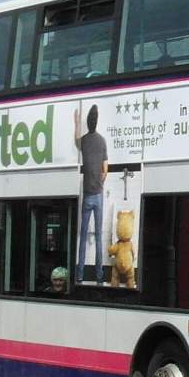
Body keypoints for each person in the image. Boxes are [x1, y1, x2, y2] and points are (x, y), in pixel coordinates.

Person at [74, 104, 109, 284]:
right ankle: (99, 276)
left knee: (83, 235)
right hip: (98, 195)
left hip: (87, 195)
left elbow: (76, 142)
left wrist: (75, 124)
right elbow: (105, 169)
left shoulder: (85, 140)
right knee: (99, 237)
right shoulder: (102, 141)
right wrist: (100, 183)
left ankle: (80, 275)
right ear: (97, 121)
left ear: (87, 122)